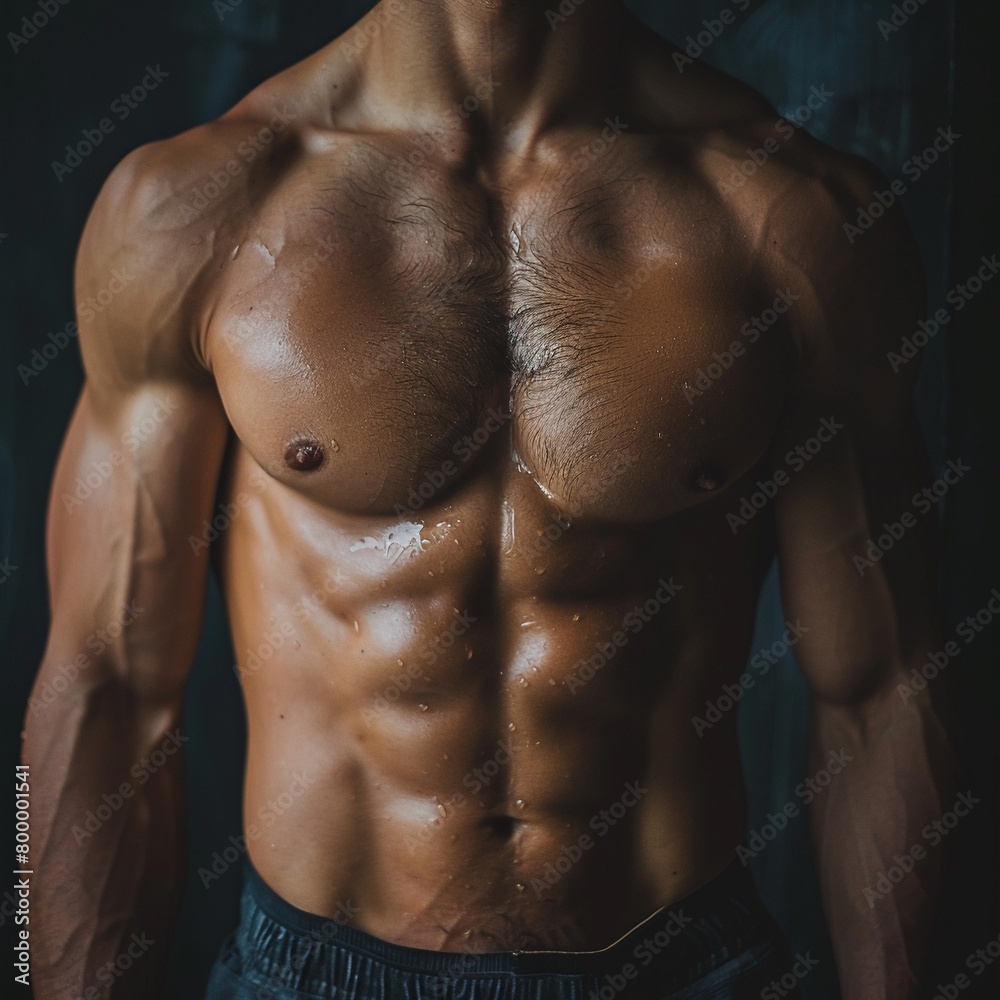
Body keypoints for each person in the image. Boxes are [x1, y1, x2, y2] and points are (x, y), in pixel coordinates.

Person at [25, 1, 957, 997]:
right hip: (312, 973)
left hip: (679, 964)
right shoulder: (196, 209)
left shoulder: (790, 217)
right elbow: (105, 688)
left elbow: (882, 691)